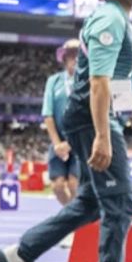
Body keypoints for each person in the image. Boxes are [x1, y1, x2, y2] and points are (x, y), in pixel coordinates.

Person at [0, 0, 132, 262]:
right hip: (91, 117)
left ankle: (22, 254)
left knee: (93, 202)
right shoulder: (109, 20)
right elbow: (100, 83)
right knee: (122, 202)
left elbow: (122, 86)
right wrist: (103, 135)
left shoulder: (123, 23)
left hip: (96, 116)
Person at [42, 38, 81, 247]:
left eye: (78, 54)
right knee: (57, 186)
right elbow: (47, 115)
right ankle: (75, 221)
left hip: (79, 141)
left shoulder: (87, 82)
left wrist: (71, 143)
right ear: (64, 58)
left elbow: (87, 115)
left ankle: (76, 228)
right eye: (70, 55)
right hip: (58, 141)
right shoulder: (54, 81)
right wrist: (58, 144)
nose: (74, 58)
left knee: (74, 184)